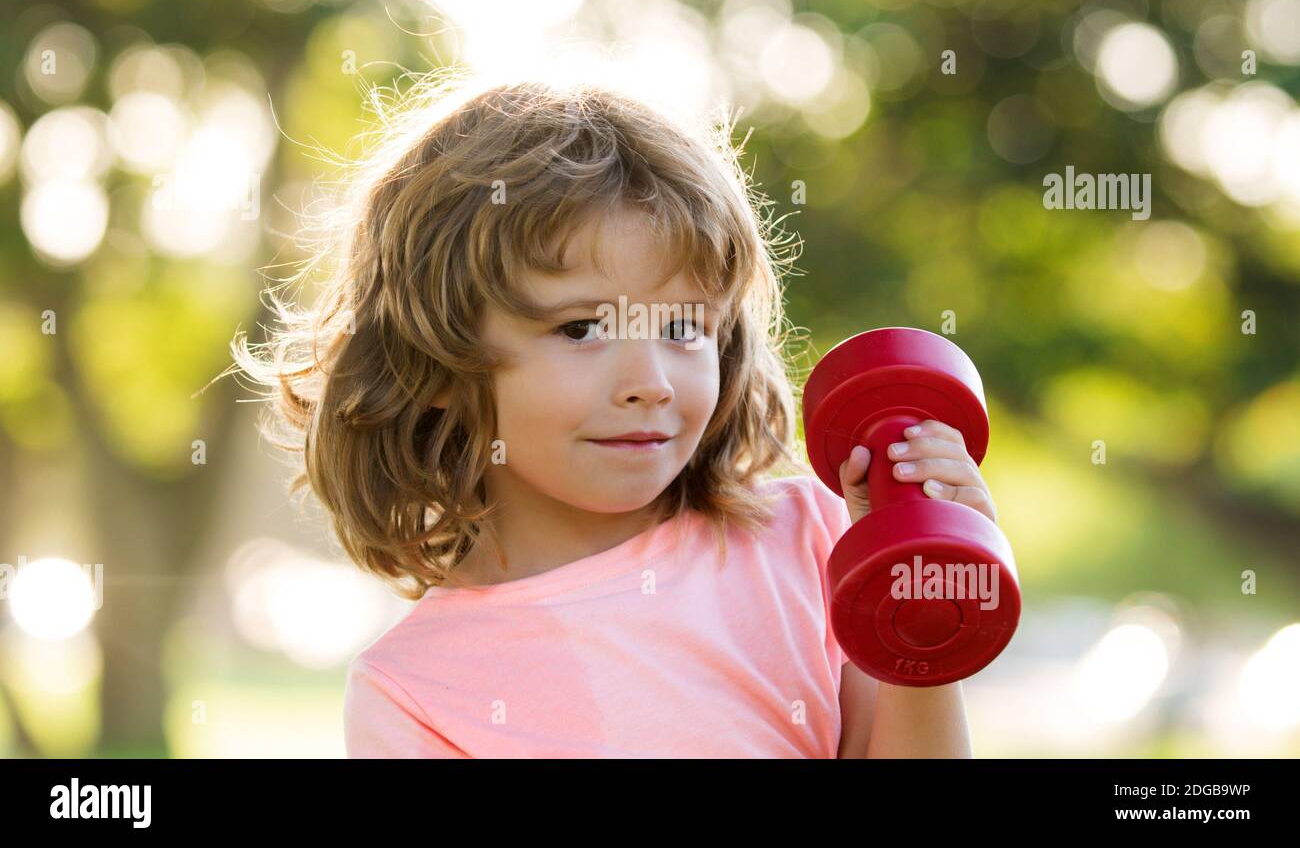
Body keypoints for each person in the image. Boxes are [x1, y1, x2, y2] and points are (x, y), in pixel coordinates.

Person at [231, 74, 996, 757]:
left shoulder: (813, 543)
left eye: (683, 327)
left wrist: (916, 618)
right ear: (433, 362)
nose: (650, 382)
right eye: (581, 329)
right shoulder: (414, 692)